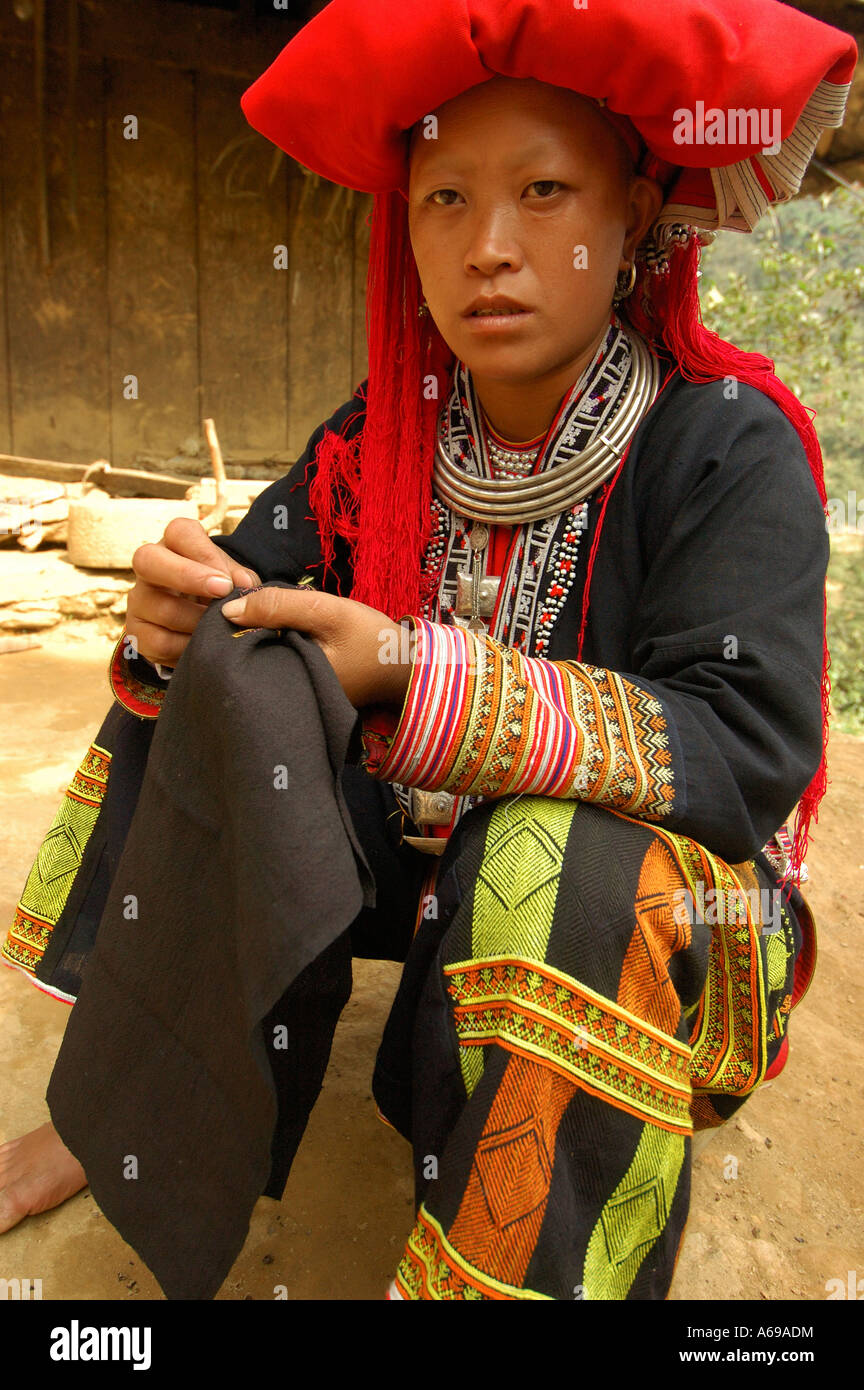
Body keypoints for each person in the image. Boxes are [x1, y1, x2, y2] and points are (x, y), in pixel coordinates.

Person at [0, 0, 857, 1299]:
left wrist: (416, 669)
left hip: (662, 925)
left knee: (555, 852)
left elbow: (744, 751)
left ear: (635, 216)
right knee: (222, 675)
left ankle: (503, 1265)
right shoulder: (382, 438)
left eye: (545, 191)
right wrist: (179, 616)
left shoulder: (726, 446)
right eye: (444, 197)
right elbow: (254, 588)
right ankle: (135, 1104)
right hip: (427, 871)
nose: (489, 248)